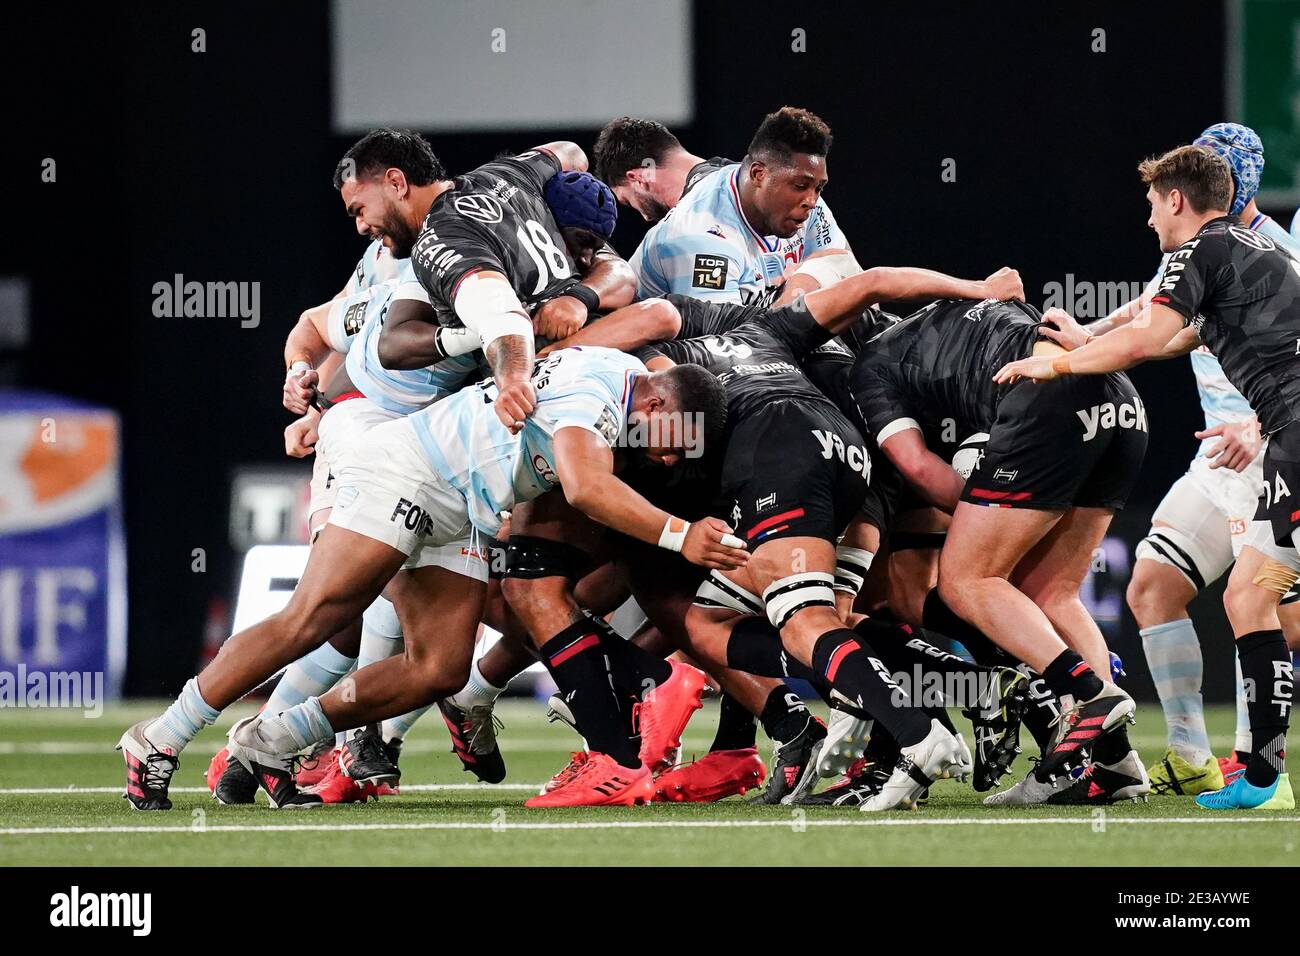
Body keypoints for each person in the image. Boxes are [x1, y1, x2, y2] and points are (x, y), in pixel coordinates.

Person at [994, 143, 1297, 811]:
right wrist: (1085, 344)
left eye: (1153, 205)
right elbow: (1178, 337)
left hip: (1292, 440)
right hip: (1287, 441)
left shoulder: (1197, 252)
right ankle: (1262, 778)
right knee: (1249, 599)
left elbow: (1143, 338)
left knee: (1259, 601)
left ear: (1178, 200)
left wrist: (1056, 366)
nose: (1149, 220)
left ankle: (1263, 778)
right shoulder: (1243, 249)